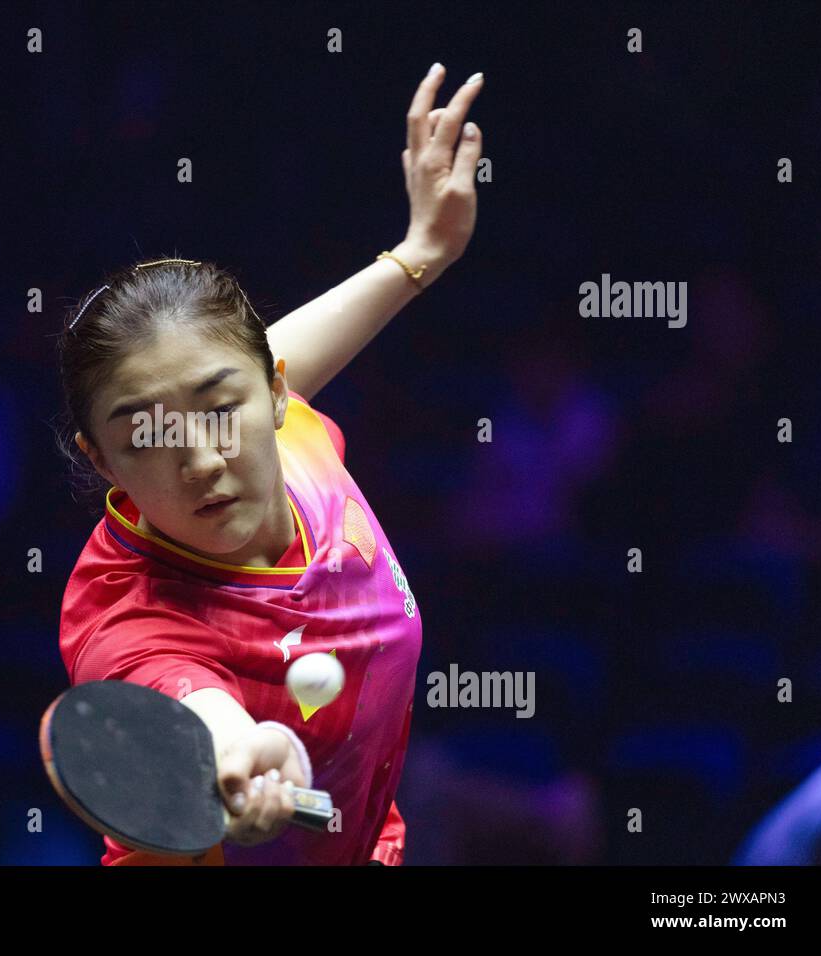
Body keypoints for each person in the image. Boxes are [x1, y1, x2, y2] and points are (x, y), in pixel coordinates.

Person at [54, 63, 484, 864]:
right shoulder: (129, 619)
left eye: (221, 409)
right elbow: (184, 703)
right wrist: (241, 757)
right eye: (144, 434)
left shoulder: (285, 430)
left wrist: (422, 251)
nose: (202, 459)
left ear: (277, 394)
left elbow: (250, 363)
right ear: (100, 460)